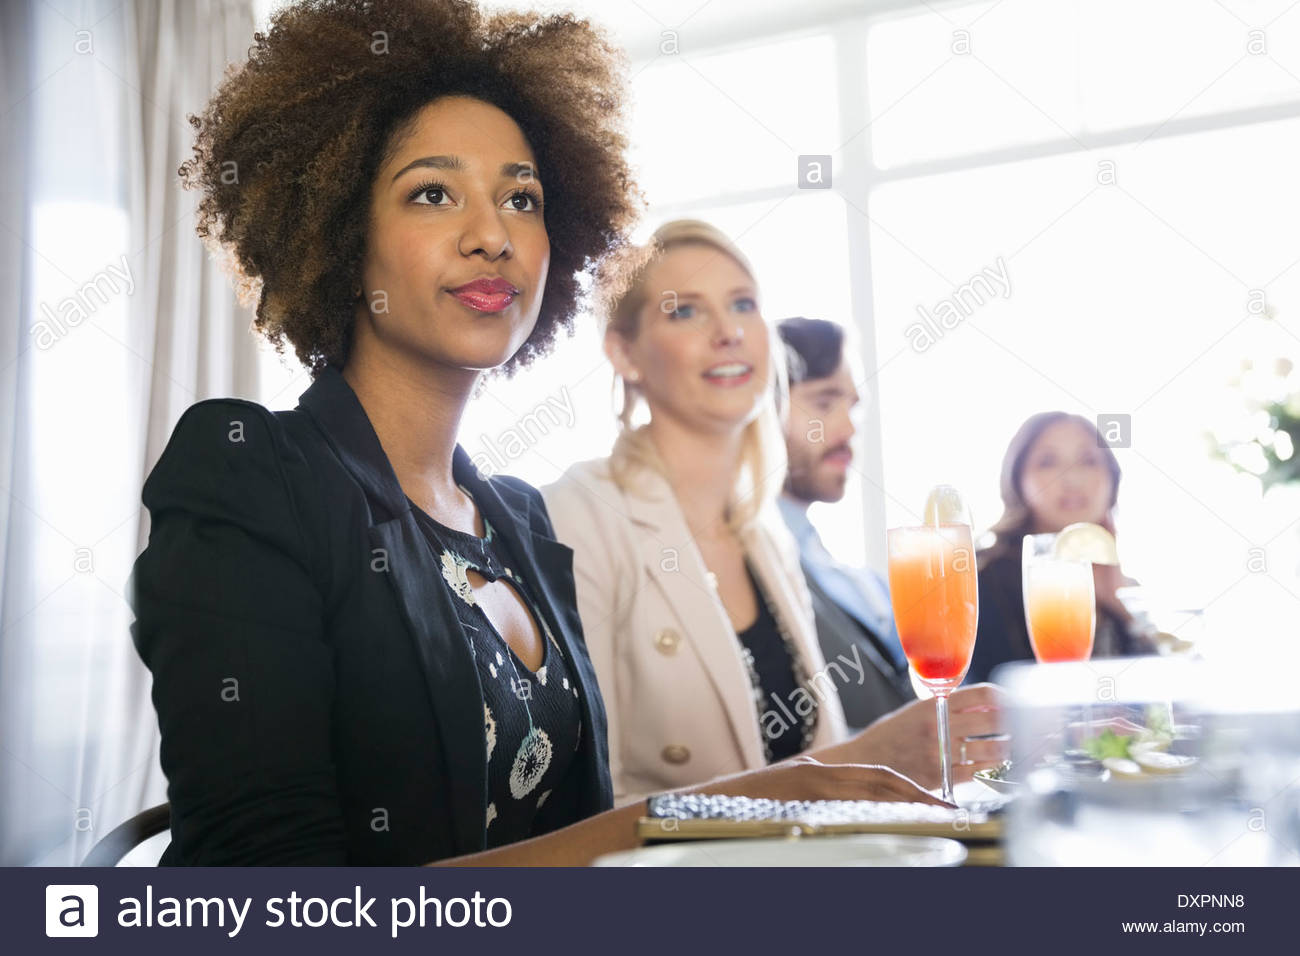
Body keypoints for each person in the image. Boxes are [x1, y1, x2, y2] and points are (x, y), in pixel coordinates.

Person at [127, 0, 947, 867]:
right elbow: (275, 906)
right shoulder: (254, 474)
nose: (493, 236)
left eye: (522, 198)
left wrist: (810, 787)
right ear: (338, 229)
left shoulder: (516, 522)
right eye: (432, 193)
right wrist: (787, 794)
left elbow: (581, 835)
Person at [543, 222, 1006, 806]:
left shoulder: (764, 535)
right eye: (685, 311)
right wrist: (869, 757)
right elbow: (584, 814)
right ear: (624, 352)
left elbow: (815, 762)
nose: (728, 332)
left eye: (743, 305)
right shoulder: (578, 516)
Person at [775, 317, 912, 729]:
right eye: (823, 402)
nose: (849, 427)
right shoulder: (737, 558)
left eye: (853, 406)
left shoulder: (853, 579)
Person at [966, 411, 1155, 683]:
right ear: (1018, 480)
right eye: (1048, 462)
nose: (1072, 480)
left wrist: (1121, 608)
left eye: (1089, 461)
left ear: (1112, 480)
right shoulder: (982, 580)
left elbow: (1159, 704)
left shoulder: (1122, 588)